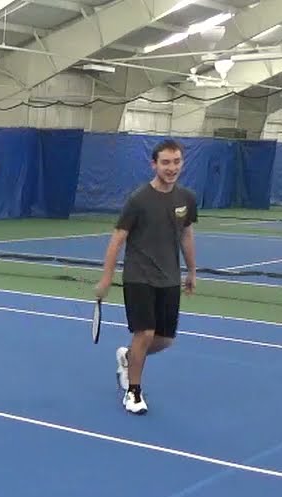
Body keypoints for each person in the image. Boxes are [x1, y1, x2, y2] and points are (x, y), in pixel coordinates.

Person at [95, 138, 197, 415]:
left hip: (170, 278)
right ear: (154, 165)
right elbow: (117, 239)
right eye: (165, 162)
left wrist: (191, 271)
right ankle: (133, 392)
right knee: (145, 334)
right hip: (138, 276)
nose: (171, 167)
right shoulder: (138, 199)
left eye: (176, 162)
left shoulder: (186, 199)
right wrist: (106, 278)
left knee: (164, 340)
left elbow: (186, 235)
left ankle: (128, 357)